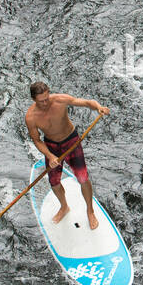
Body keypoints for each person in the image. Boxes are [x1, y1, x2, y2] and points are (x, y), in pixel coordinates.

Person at [25, 82, 109, 230]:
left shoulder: (59, 100)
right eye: (41, 101)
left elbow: (85, 102)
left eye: (47, 98)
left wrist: (98, 107)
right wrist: (50, 156)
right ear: (34, 99)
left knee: (83, 177)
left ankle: (90, 211)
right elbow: (37, 140)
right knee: (54, 181)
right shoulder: (31, 117)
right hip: (51, 146)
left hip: (71, 142)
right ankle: (64, 207)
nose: (45, 103)